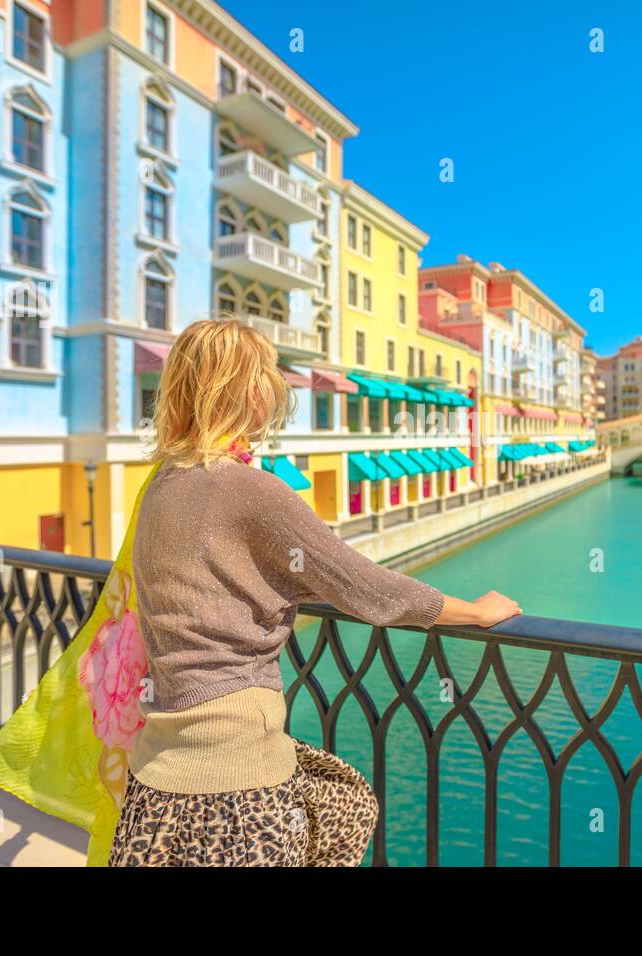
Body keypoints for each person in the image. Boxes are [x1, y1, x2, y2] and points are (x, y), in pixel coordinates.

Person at [111, 318, 521, 866]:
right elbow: (367, 588)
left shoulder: (161, 485)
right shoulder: (252, 490)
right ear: (249, 390)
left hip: (155, 776)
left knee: (344, 800)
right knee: (351, 806)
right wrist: (475, 612)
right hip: (234, 783)